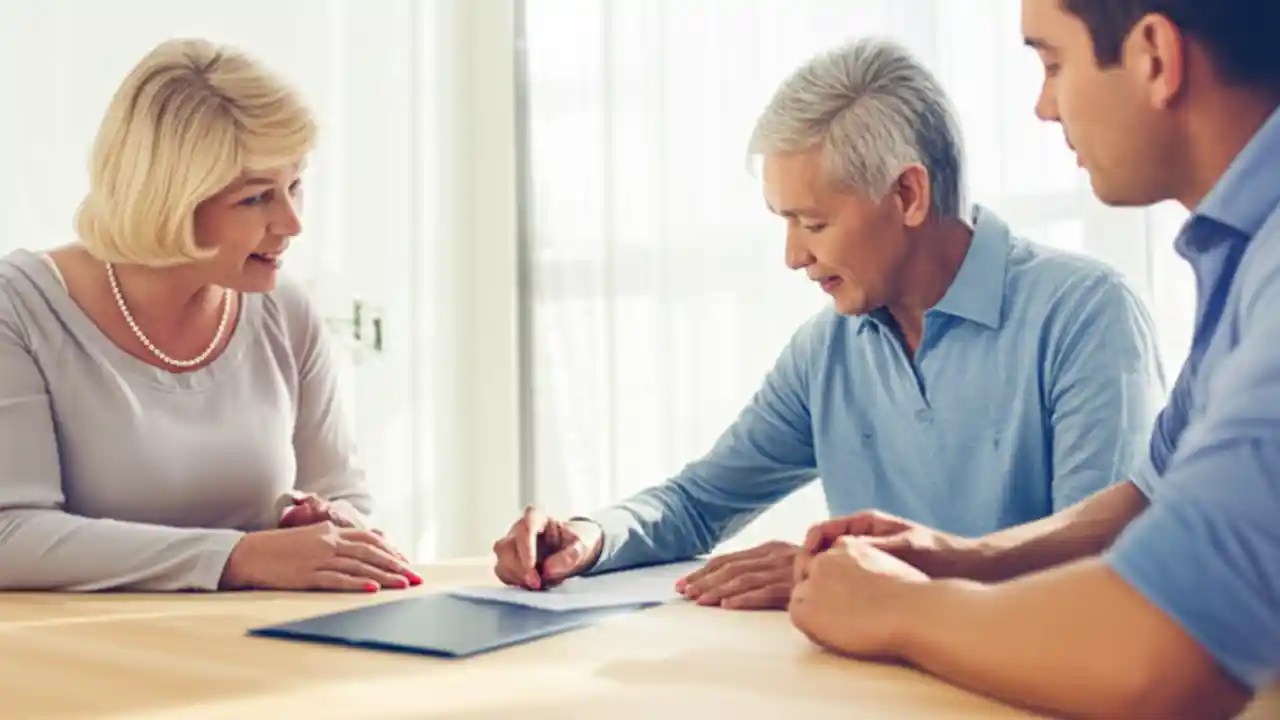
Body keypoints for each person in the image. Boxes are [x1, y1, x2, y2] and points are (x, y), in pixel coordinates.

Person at [491, 38, 1165, 610]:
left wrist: (845, 577)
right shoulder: (830, 347)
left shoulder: (1086, 315)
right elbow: (702, 500)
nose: (793, 256)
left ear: (908, 194)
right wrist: (592, 536)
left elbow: (1102, 571)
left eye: (813, 223)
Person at [790, 1, 1280, 716]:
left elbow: (1157, 652)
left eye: (1053, 63)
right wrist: (956, 555)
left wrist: (900, 609)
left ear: (1153, 58)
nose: (1044, 107)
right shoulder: (1245, 251)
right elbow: (1150, 495)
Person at [0, 38, 419, 593]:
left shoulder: (285, 311)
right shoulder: (21, 309)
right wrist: (239, 557)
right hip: (76, 662)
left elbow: (349, 498)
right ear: (168, 200)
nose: (292, 222)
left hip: (256, 652)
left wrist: (331, 524)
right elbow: (12, 536)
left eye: (295, 185)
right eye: (256, 199)